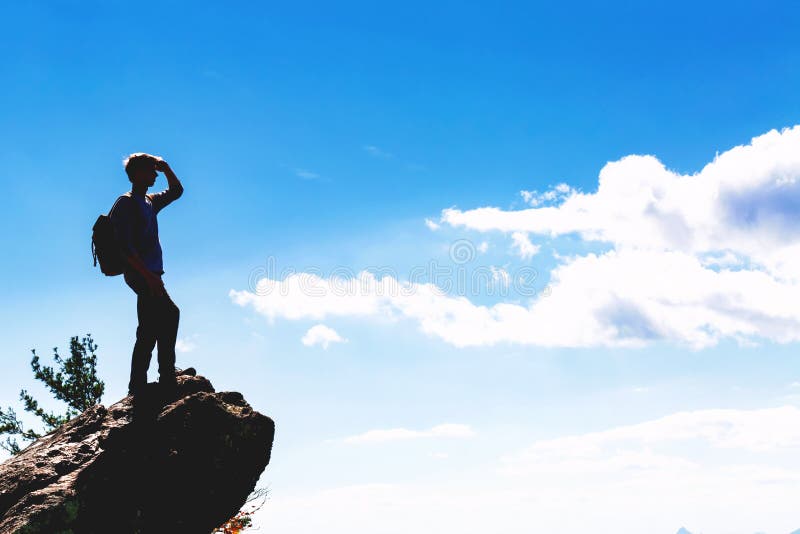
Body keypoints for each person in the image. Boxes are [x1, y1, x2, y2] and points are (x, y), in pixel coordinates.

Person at [110, 153, 184, 396]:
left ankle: (143, 381)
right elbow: (124, 246)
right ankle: (164, 376)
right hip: (140, 273)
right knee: (169, 315)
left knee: (150, 326)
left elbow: (176, 191)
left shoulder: (149, 201)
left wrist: (167, 168)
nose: (155, 175)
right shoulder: (126, 203)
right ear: (138, 173)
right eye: (152, 171)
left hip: (150, 273)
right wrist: (148, 275)